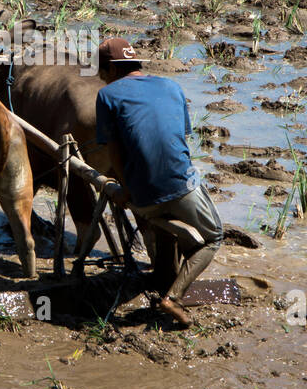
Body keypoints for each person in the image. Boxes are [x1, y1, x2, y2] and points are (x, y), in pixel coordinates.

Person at [93, 37, 224, 327]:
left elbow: (113, 150)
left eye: (101, 71)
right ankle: (172, 293)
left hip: (143, 197)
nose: (100, 77)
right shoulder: (171, 87)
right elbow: (179, 138)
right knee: (213, 237)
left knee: (199, 232)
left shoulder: (107, 96)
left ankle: (168, 288)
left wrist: (126, 190)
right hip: (180, 184)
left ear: (112, 69)